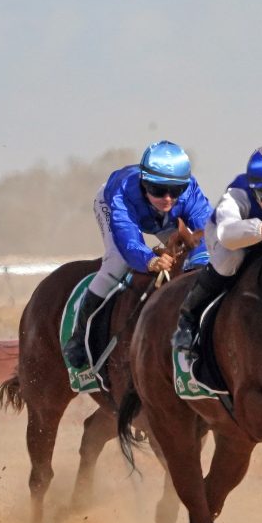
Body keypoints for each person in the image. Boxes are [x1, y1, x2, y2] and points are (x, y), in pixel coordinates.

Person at [63, 140, 214, 369]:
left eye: (175, 191)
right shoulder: (123, 194)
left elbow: (208, 235)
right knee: (117, 263)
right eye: (158, 190)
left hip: (161, 219)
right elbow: (129, 241)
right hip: (116, 206)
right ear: (144, 183)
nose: (167, 198)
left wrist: (198, 266)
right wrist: (150, 260)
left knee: (195, 259)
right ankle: (79, 336)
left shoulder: (190, 193)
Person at [171, 142, 262, 352]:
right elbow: (226, 234)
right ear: (253, 189)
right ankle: (188, 319)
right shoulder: (237, 193)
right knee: (230, 259)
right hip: (225, 236)